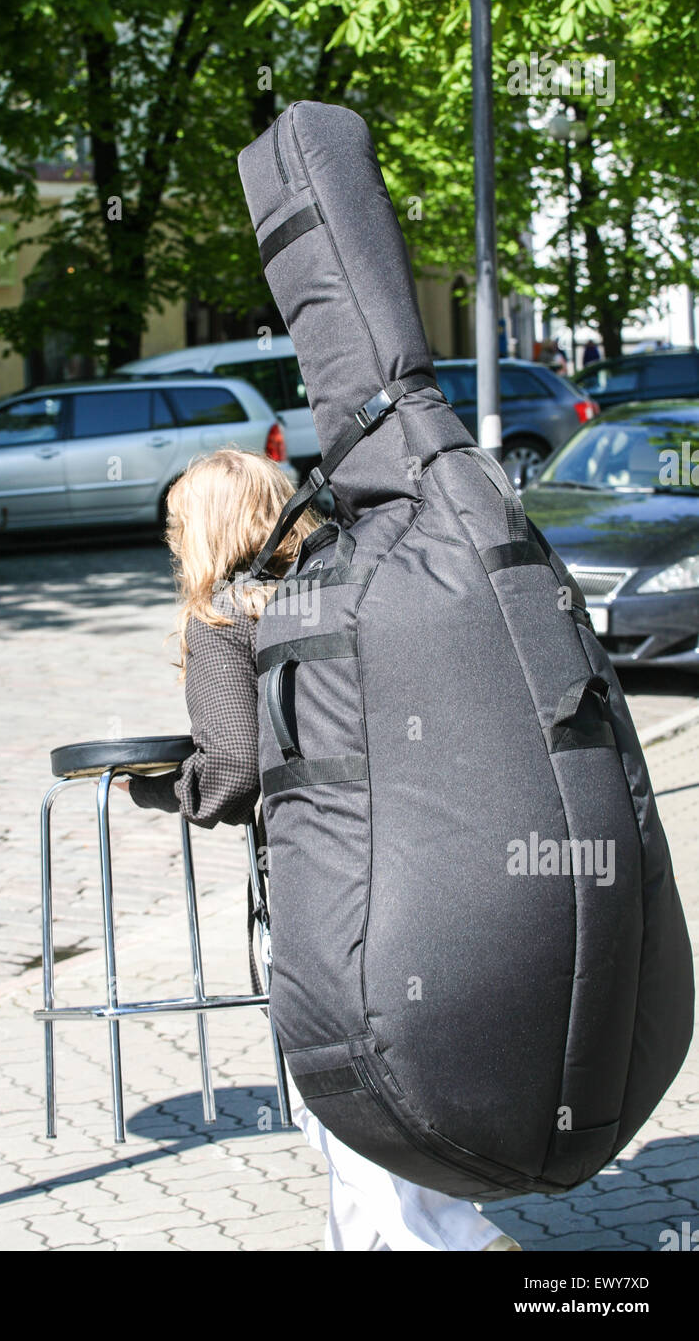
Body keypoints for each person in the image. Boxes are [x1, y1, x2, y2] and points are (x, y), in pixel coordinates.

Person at [121, 448, 520, 1252]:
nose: (170, 545)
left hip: (319, 888)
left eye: (175, 528)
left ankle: (454, 1243)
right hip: (426, 859)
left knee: (342, 1085)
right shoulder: (361, 589)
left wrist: (159, 788)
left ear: (201, 531)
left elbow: (232, 773)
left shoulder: (225, 615)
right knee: (366, 1078)